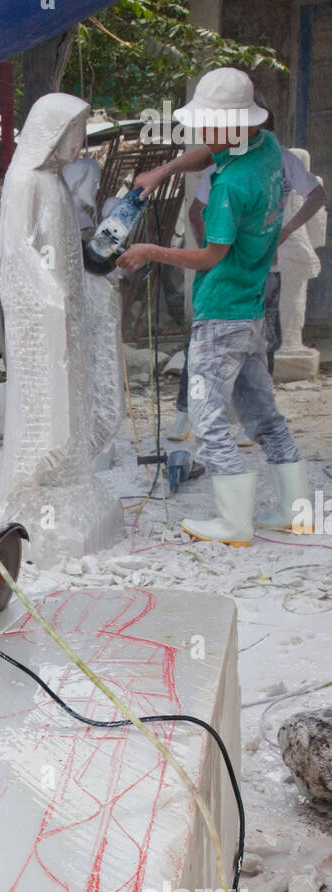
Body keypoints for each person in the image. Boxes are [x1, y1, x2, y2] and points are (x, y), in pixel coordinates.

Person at [120, 68, 305, 545]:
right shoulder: (265, 149)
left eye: (208, 123)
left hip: (221, 312)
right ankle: (295, 510)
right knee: (264, 416)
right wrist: (165, 169)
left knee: (205, 417)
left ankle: (233, 523)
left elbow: (210, 255)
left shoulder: (228, 189)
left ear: (232, 124)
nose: (201, 133)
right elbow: (214, 151)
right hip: (251, 309)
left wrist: (152, 251)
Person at [168, 103, 326, 442]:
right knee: (203, 341)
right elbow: (197, 211)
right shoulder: (227, 172)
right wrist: (211, 250)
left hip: (265, 268)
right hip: (224, 270)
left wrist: (286, 232)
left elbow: (317, 195)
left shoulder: (279, 158)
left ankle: (245, 419)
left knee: (261, 343)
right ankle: (186, 412)